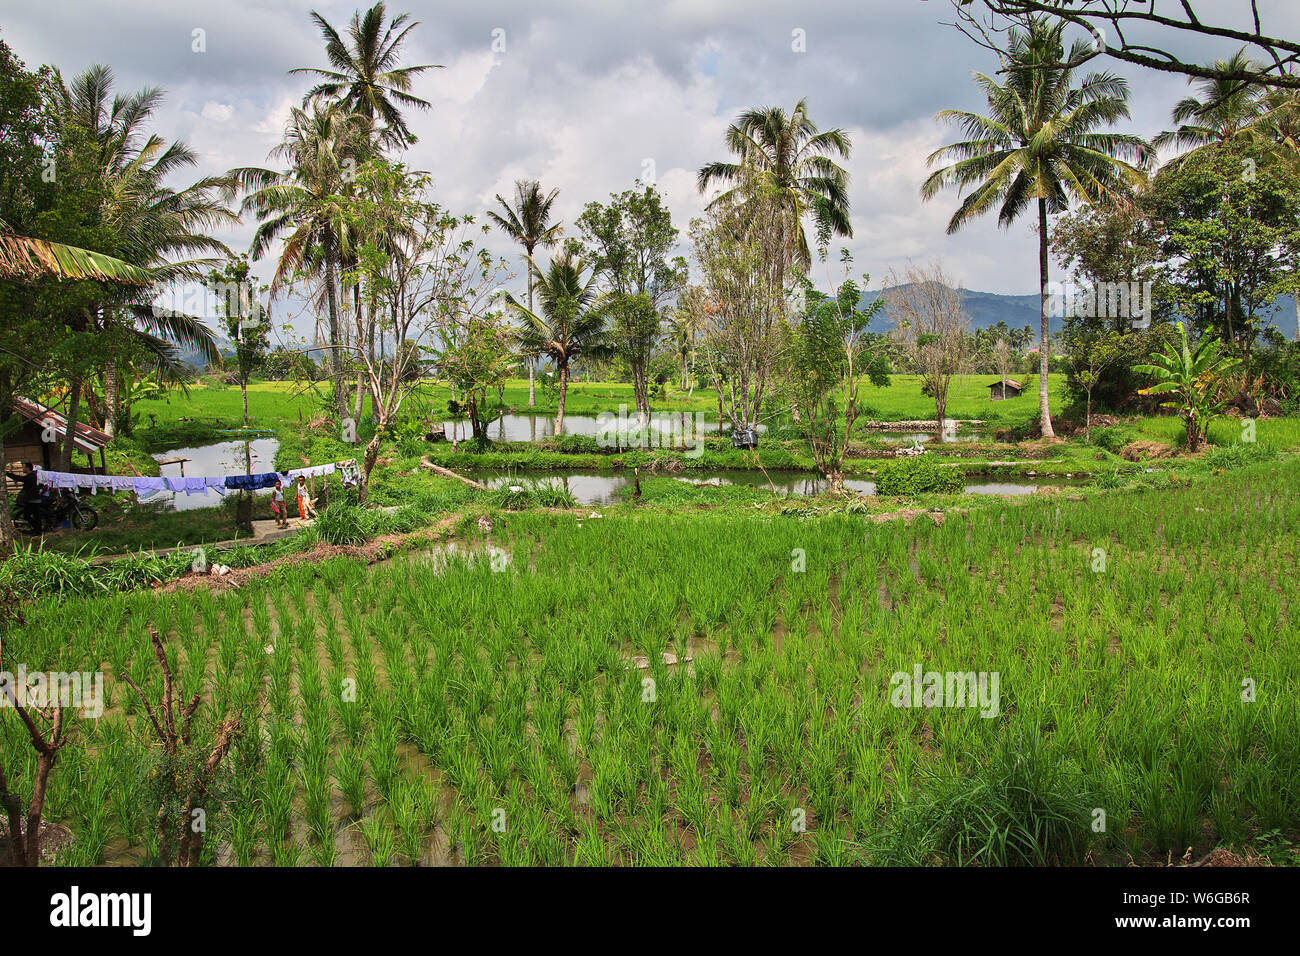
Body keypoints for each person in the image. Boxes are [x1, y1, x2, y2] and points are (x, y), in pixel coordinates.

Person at [5, 461, 43, 534]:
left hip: (33, 500)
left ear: (27, 468)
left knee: (29, 515)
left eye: (24, 467)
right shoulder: (31, 476)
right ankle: (37, 530)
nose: (23, 469)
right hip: (32, 499)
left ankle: (37, 530)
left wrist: (8, 474)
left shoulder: (31, 476)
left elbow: (19, 478)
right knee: (34, 515)